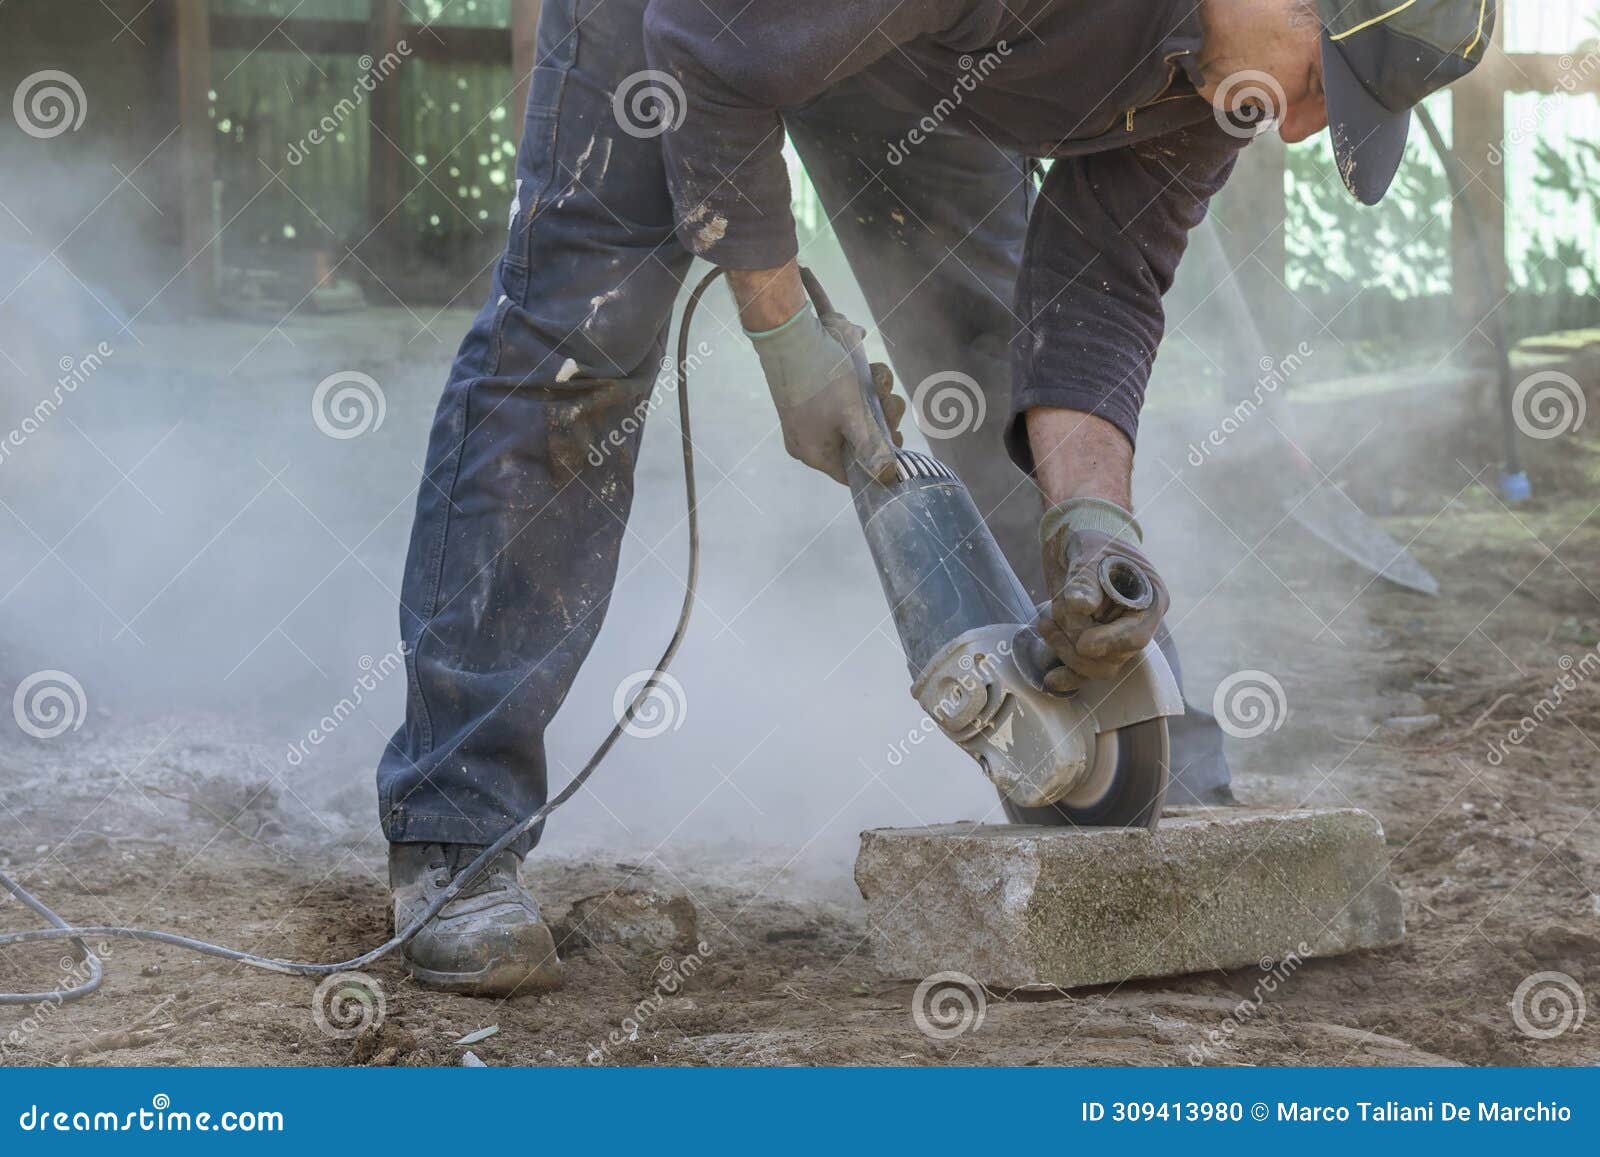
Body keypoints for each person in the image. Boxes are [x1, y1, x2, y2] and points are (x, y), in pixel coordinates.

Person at [378, 0, 1494, 996]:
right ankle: (456, 834)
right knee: (581, 352)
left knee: (983, 343)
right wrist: (781, 333)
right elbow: (711, 50)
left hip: (923, 41)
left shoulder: (1213, 96)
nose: (1297, 127)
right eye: (1321, 82)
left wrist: (1091, 522)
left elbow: (1097, 295)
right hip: (687, 23)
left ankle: (1129, 744)